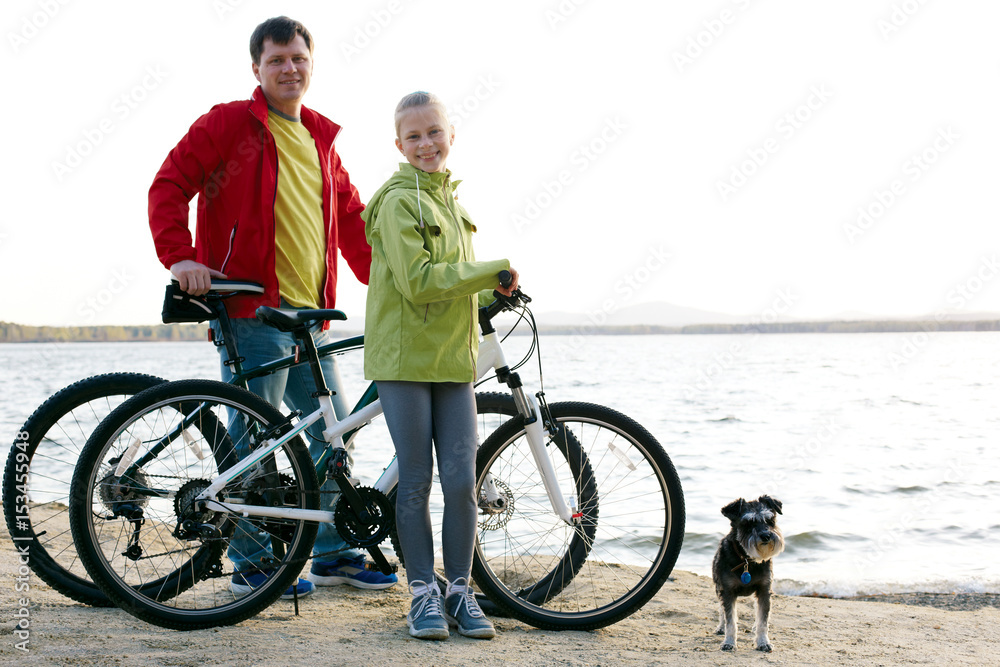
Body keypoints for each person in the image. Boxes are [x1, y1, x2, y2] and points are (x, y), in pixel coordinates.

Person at [147, 16, 397, 599]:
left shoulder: (321, 140)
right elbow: (168, 184)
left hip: (312, 315)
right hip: (250, 311)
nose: (289, 69)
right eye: (277, 60)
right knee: (255, 438)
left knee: (334, 434)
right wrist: (181, 258)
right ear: (256, 68)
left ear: (312, 64)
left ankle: (333, 550)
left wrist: (394, 284)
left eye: (298, 59)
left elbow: (357, 228)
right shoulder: (230, 123)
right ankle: (252, 561)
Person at [362, 91, 518, 640]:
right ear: (399, 144)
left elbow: (455, 281)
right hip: (404, 358)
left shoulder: (453, 201)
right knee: (416, 482)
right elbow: (420, 282)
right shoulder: (398, 200)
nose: (426, 144)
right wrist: (489, 270)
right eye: (414, 136)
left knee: (462, 482)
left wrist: (489, 295)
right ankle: (423, 592)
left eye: (434, 132)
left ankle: (460, 590)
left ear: (451, 134)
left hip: (453, 359)